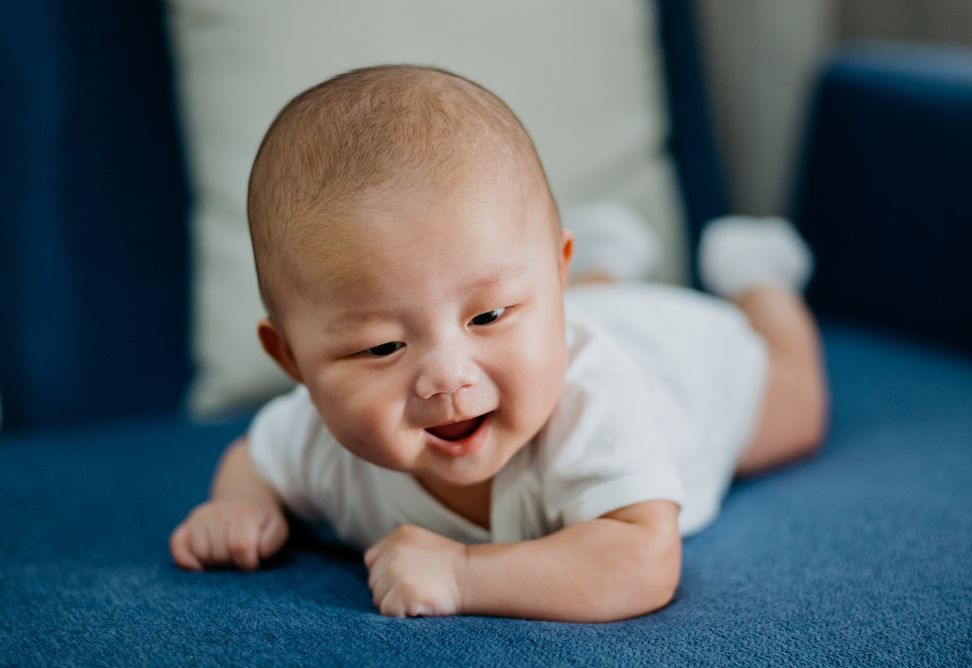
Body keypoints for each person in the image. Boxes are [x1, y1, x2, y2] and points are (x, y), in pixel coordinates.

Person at [168, 65, 828, 623]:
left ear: (555, 275)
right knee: (523, 308)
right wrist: (240, 505)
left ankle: (758, 277)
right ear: (291, 361)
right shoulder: (320, 441)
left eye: (485, 316)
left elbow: (642, 561)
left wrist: (461, 573)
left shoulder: (595, 403)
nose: (447, 377)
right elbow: (255, 458)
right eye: (382, 348)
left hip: (686, 360)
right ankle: (596, 266)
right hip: (562, 311)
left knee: (796, 411)